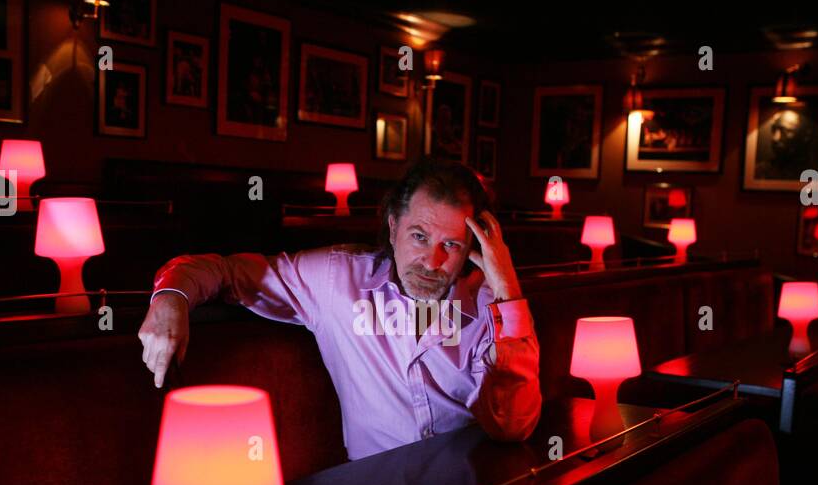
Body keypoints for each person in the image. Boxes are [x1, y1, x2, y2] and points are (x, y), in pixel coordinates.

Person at [138, 158, 541, 460]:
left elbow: (513, 427)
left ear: (474, 249)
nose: (432, 261)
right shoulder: (337, 281)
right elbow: (222, 270)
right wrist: (171, 297)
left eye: (451, 245)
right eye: (419, 236)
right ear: (392, 227)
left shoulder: (493, 305)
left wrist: (505, 283)